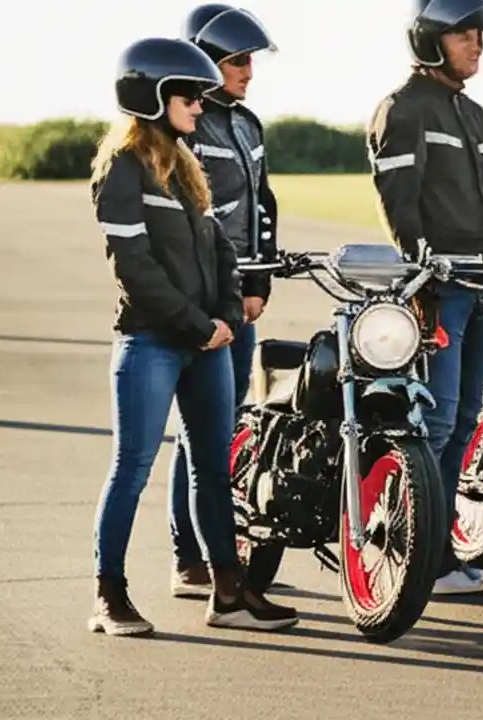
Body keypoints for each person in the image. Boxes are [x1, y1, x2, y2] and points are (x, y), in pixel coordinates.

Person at [89, 37, 298, 636]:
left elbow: (221, 252)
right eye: (189, 96)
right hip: (152, 342)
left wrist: (227, 315)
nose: (200, 107)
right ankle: (109, 594)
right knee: (132, 466)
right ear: (153, 96)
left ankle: (228, 593)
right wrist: (199, 324)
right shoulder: (123, 170)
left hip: (209, 340)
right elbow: (135, 269)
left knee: (212, 463)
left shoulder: (184, 168)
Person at [367, 0, 483, 595]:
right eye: (464, 35)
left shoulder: (472, 112)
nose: (477, 45)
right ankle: (418, 553)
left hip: (482, 286)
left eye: (479, 34)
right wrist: (420, 283)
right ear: (430, 41)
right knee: (433, 423)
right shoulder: (403, 110)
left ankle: (437, 550)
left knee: (464, 421)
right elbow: (399, 204)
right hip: (442, 292)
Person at [169, 2, 282, 599]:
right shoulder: (183, 127)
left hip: (241, 303)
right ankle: (189, 556)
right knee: (200, 433)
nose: (248, 72)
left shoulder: (247, 124)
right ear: (206, 62)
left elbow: (263, 205)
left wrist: (259, 285)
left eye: (249, 61)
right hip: (202, 302)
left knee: (225, 426)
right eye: (238, 61)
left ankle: (210, 551)